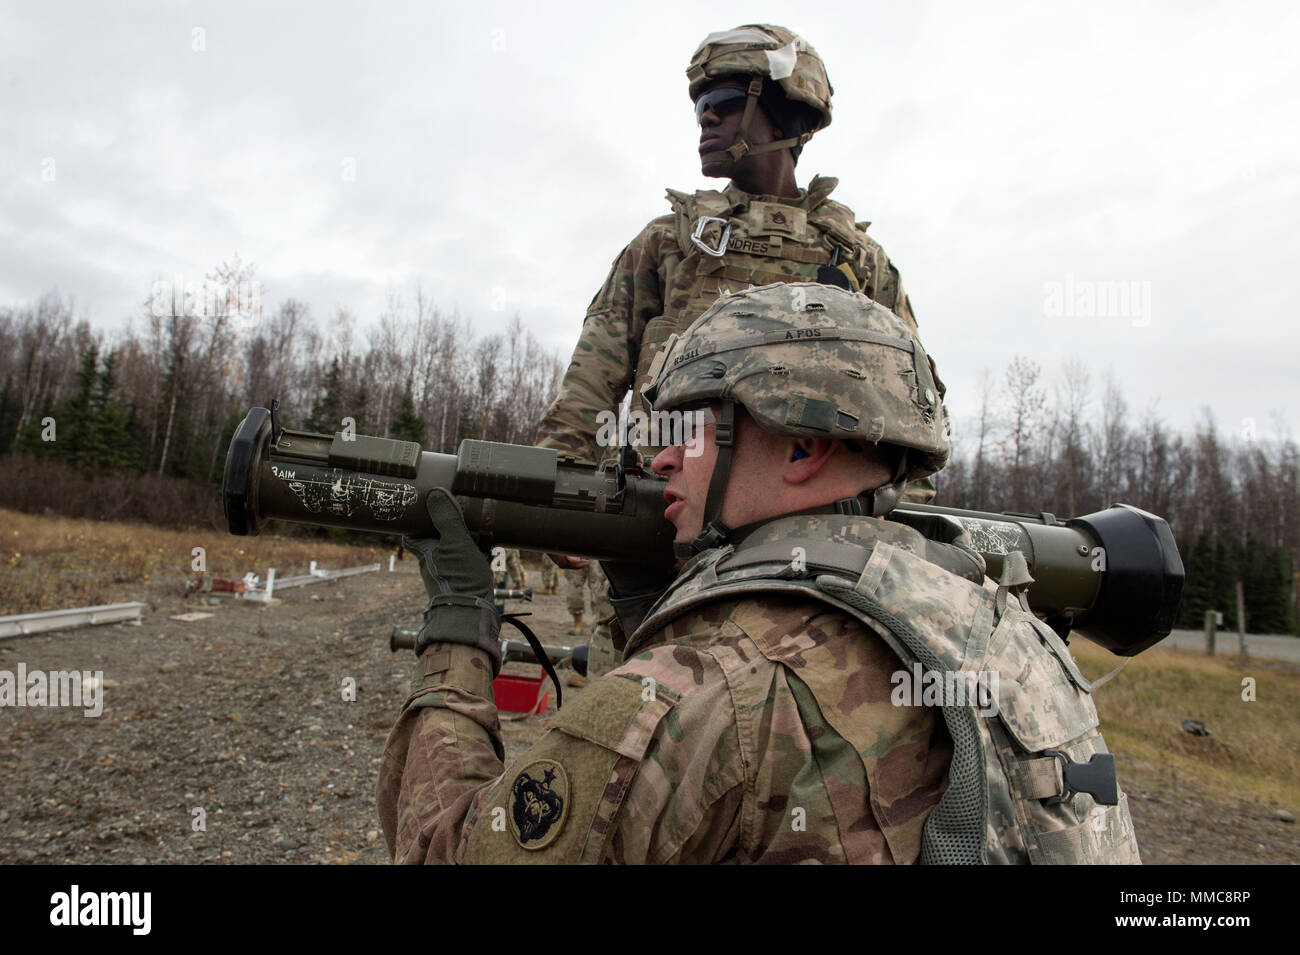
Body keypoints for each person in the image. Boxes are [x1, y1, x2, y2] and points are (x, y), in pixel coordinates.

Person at [378, 283, 1140, 864]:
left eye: (685, 426)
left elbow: (446, 850)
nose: (659, 456)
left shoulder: (714, 688)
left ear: (803, 450)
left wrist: (457, 632)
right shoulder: (997, 619)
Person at [538, 23, 927, 677]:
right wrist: (555, 491)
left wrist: (906, 532)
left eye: (719, 103)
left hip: (808, 565)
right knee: (624, 745)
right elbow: (592, 377)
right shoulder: (668, 244)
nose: (704, 121)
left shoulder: (859, 266)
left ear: (782, 111)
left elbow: (907, 415)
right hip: (658, 539)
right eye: (698, 106)